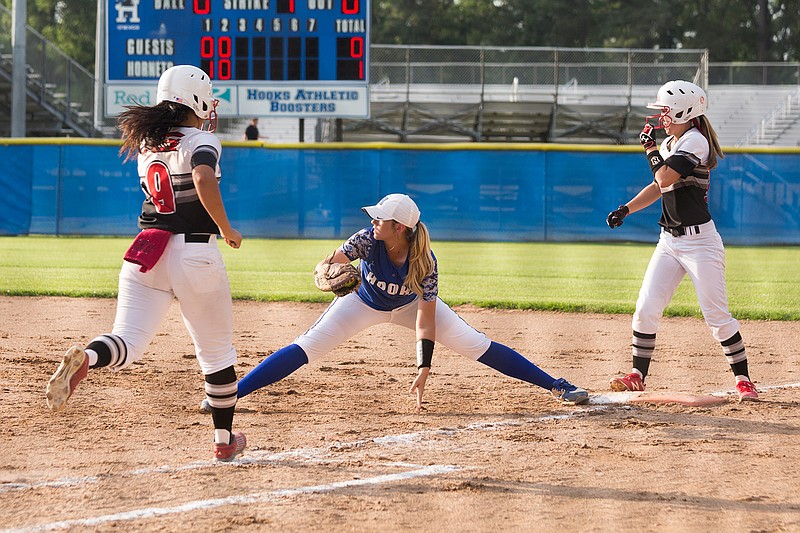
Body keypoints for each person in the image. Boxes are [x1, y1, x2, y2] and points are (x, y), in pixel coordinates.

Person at [45, 64, 248, 461]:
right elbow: (204, 178)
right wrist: (227, 228)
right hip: (195, 254)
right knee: (216, 353)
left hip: (146, 251)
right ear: (194, 99)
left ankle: (86, 357)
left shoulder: (146, 145)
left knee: (127, 340)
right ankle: (224, 442)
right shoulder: (201, 141)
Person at [233, 193, 589, 410]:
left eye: (380, 218)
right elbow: (331, 262)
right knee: (308, 345)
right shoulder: (366, 240)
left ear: (400, 227)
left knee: (477, 345)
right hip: (363, 303)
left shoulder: (426, 263)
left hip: (409, 308)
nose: (373, 221)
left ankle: (557, 385)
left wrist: (423, 369)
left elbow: (426, 320)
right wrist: (322, 271)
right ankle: (233, 393)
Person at [605, 80, 758, 402]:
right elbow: (657, 186)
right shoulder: (671, 144)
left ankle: (744, 380)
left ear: (684, 110)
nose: (661, 116)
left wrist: (648, 148)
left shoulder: (695, 141)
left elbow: (665, 177)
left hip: (701, 243)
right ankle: (637, 375)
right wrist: (626, 209)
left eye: (665, 110)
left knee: (716, 316)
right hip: (669, 242)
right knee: (645, 309)